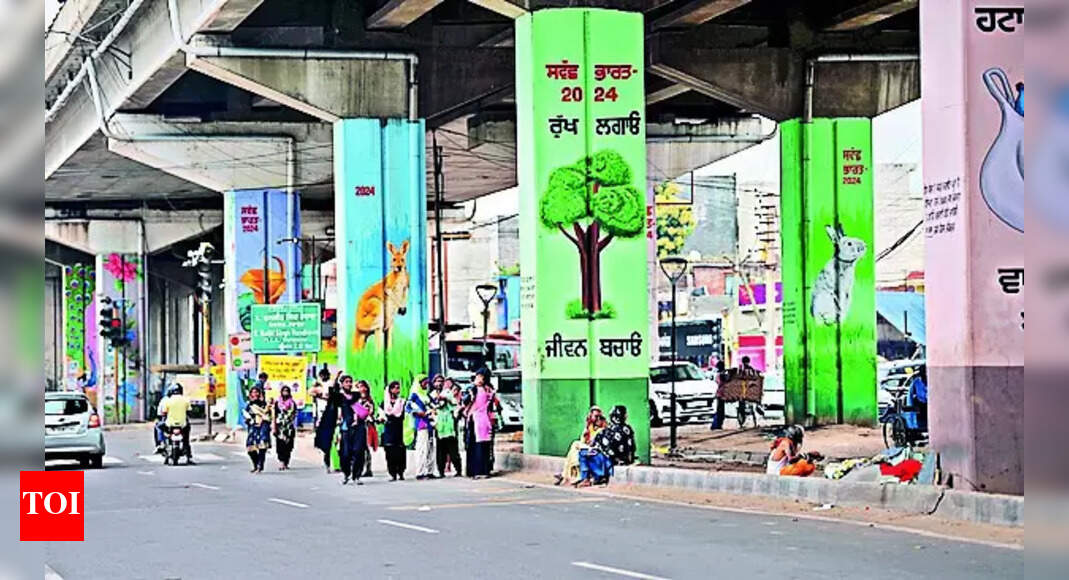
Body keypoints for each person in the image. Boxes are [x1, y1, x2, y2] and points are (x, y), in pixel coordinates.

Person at [554, 406, 606, 485]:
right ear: (591, 416)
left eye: (600, 417)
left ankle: (565, 475)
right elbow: (583, 440)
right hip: (587, 448)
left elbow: (597, 442)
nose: (598, 419)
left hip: (596, 449)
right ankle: (566, 475)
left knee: (575, 444)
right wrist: (585, 436)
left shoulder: (603, 428)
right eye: (596, 416)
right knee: (574, 450)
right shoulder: (589, 427)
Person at [338, 375, 371, 485]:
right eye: (346, 382)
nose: (349, 384)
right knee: (346, 453)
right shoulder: (340, 397)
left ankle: (357, 475)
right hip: (346, 427)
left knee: (358, 451)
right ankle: (346, 474)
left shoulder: (357, 396)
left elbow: (367, 407)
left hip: (360, 427)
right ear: (342, 384)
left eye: (350, 382)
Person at [466, 368, 495, 479]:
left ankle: (482, 470)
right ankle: (478, 470)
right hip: (476, 419)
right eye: (478, 376)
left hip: (483, 420)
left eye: (481, 377)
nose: (479, 379)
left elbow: (491, 405)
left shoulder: (487, 390)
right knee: (477, 445)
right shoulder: (473, 389)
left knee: (482, 445)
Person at [408, 377, 437, 479]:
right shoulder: (415, 395)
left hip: (430, 423)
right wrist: (417, 413)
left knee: (431, 448)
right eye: (424, 382)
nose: (426, 384)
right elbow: (408, 408)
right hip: (421, 424)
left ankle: (430, 470)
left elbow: (434, 405)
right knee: (422, 448)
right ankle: (420, 472)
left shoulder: (427, 395)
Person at [313, 371, 342, 473]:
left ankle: (338, 465)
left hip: (338, 422)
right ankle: (328, 464)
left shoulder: (338, 399)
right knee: (327, 444)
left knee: (339, 443)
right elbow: (312, 392)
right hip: (325, 421)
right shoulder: (320, 389)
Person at [434, 378, 462, 477]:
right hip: (440, 424)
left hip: (449, 424)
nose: (440, 383)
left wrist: (446, 399)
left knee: (453, 449)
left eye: (442, 381)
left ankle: (458, 469)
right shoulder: (434, 394)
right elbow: (434, 406)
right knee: (440, 450)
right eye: (438, 381)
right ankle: (441, 471)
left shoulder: (449, 394)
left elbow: (454, 404)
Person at [380, 380, 407, 481]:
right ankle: (392, 473)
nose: (397, 390)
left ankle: (401, 472)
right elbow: (381, 414)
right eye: (394, 388)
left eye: (398, 388)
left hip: (399, 428)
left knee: (400, 451)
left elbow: (405, 415)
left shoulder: (402, 402)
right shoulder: (385, 403)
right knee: (390, 451)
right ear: (390, 390)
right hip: (389, 429)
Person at [162, 383, 194, 464]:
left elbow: (164, 413)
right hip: (183, 424)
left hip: (170, 425)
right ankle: (188, 457)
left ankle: (162, 445)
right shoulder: (186, 400)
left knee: (160, 429)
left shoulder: (168, 401)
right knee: (186, 440)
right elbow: (189, 411)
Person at [243, 386, 271, 473]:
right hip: (253, 428)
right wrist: (248, 420)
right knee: (250, 447)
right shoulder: (250, 406)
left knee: (262, 446)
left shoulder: (265, 405)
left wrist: (263, 419)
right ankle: (255, 464)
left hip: (263, 426)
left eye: (256, 392)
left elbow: (268, 416)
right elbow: (246, 416)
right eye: (253, 392)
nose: (255, 394)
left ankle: (260, 465)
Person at [272, 385, 297, 470]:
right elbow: (274, 415)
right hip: (280, 427)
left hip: (289, 427)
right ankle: (281, 462)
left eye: (287, 391)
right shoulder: (277, 403)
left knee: (289, 445)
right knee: (280, 445)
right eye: (284, 391)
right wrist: (274, 427)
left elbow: (294, 414)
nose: (285, 393)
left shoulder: (292, 403)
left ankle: (286, 462)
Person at [357, 380, 377, 478]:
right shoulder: (356, 400)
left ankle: (367, 468)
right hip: (357, 425)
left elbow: (370, 412)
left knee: (366, 447)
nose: (362, 389)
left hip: (367, 425)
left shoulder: (369, 401)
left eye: (363, 386)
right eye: (360, 387)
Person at [709, 360, 729, 430]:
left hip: (719, 394)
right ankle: (717, 425)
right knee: (720, 411)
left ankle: (717, 424)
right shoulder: (721, 375)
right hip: (721, 394)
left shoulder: (718, 374)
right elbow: (725, 381)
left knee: (719, 410)